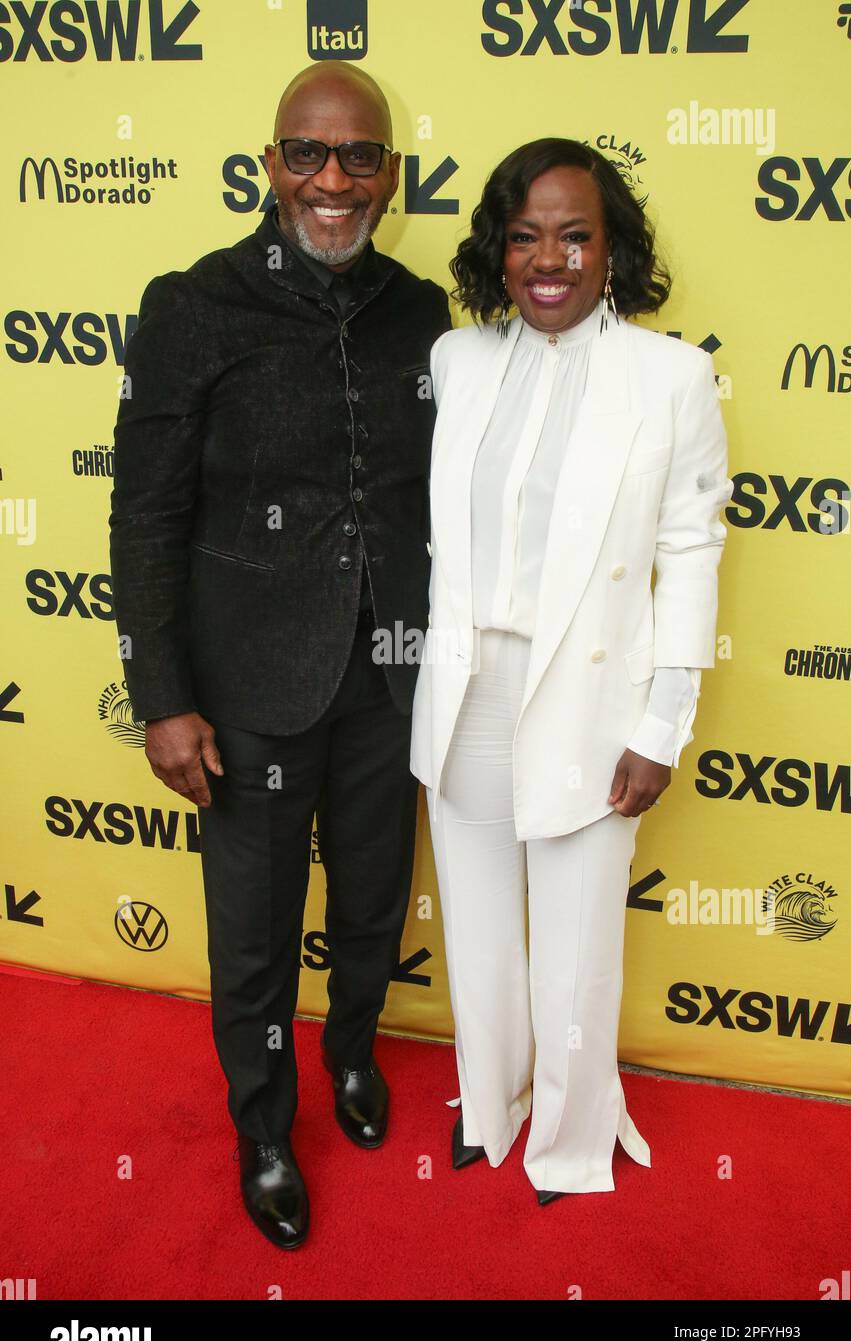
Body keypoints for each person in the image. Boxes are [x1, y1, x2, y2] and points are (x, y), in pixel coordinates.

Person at [109, 61, 451, 1249]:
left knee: (368, 907)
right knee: (253, 938)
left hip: (388, 681)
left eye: (358, 157)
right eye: (307, 153)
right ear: (269, 166)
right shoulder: (193, 303)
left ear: (389, 177)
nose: (332, 179)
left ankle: (353, 1056)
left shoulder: (419, 311)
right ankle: (263, 1127)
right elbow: (143, 515)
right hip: (245, 692)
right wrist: (162, 697)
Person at [410, 137, 734, 1203]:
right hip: (466, 691)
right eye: (523, 235)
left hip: (592, 699)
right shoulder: (459, 360)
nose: (547, 257)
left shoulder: (671, 377)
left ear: (610, 250)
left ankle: (568, 1137)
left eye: (573, 234)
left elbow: (689, 551)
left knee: (577, 941)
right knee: (477, 924)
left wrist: (661, 723)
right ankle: (490, 1100)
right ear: (497, 251)